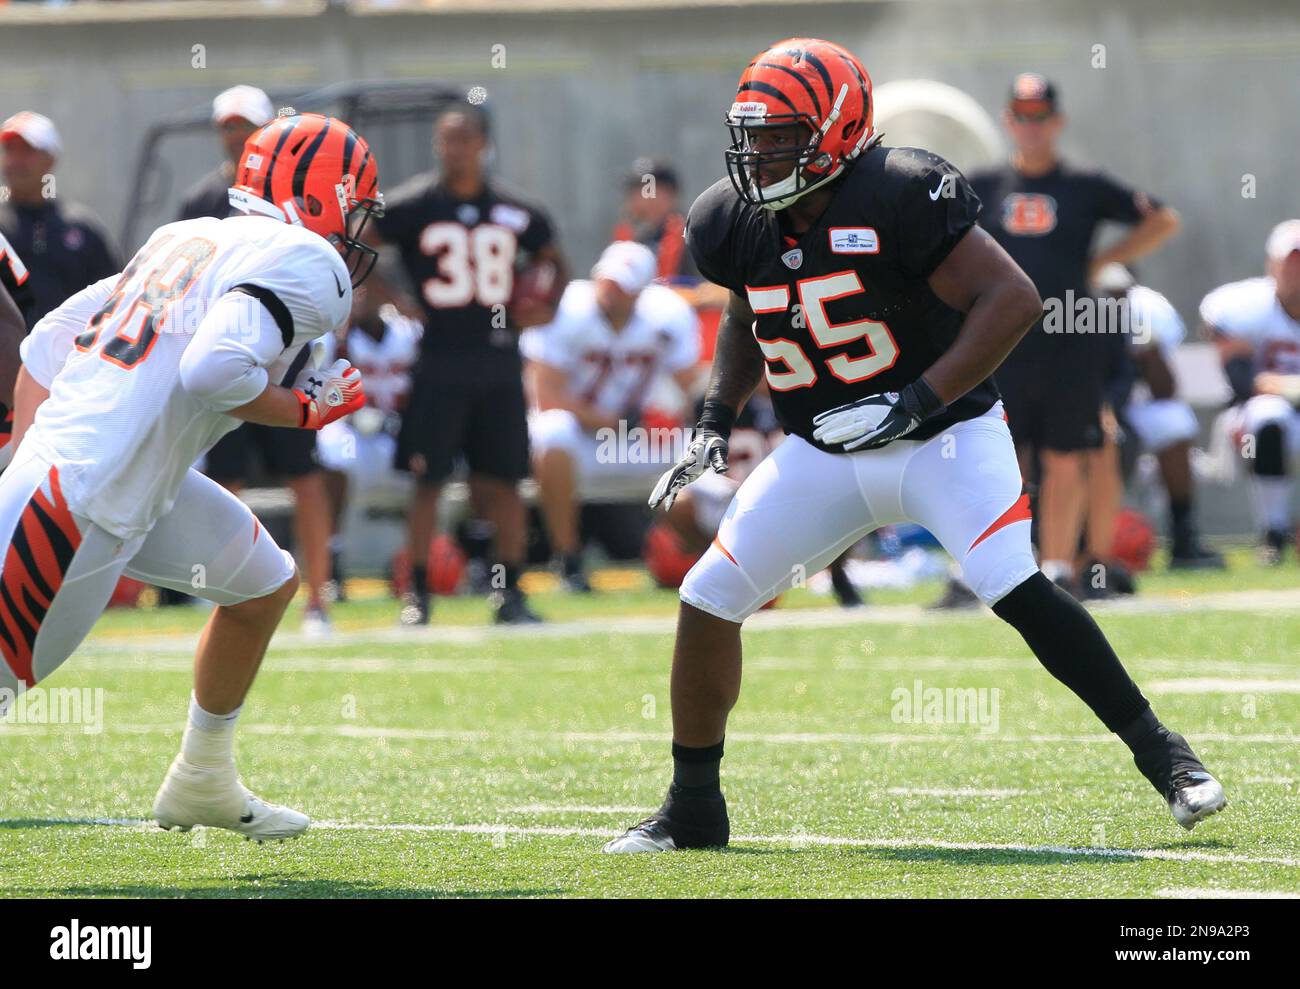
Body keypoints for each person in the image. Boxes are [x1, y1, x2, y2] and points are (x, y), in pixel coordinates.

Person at [602, 38, 1224, 853]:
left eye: (782, 134)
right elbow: (751, 310)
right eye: (753, 134)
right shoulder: (730, 216)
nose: (760, 153)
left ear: (837, 127)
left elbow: (1013, 297)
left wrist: (917, 399)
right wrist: (716, 416)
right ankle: (693, 808)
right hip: (825, 447)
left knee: (1011, 581)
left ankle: (1165, 756)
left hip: (945, 436)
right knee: (708, 596)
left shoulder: (898, 190)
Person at [0, 111, 383, 839]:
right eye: (353, 203)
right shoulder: (306, 259)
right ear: (316, 194)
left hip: (115, 482)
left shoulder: (186, 237)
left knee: (263, 582)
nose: (357, 231)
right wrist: (301, 411)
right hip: (80, 502)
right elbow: (215, 369)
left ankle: (202, 779)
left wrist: (23, 456)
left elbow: (46, 343)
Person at [951, 74, 1181, 600]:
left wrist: (1101, 261)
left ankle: (1056, 569)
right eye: (1021, 117)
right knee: (999, 457)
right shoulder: (982, 185)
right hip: (1003, 339)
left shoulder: (1084, 184)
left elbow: (1163, 218)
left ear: (1057, 122)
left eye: (1041, 117)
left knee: (1064, 456)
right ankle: (986, 570)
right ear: (1008, 122)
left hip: (1070, 334)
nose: (1031, 127)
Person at [368, 103, 567, 625]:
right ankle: (419, 595)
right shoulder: (413, 205)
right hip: (439, 358)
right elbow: (358, 247)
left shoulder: (515, 209)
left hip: (498, 356)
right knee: (427, 480)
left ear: (483, 144)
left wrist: (542, 306)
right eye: (445, 140)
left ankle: (510, 592)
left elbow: (553, 260)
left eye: (462, 140)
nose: (452, 150)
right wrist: (394, 299)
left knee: (504, 480)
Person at [182, 89, 337, 634]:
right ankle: (226, 594)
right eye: (226, 126)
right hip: (223, 357)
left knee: (306, 475)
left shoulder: (295, 194)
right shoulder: (202, 198)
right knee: (227, 481)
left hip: (287, 353)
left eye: (245, 126)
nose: (234, 135)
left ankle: (319, 598)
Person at [521, 240, 699, 591]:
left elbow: (692, 385)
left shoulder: (668, 314)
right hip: (583, 441)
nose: (611, 292)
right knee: (551, 432)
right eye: (608, 281)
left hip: (634, 440)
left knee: (705, 448)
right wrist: (613, 422)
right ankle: (568, 561)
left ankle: (709, 556)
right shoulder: (566, 309)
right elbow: (545, 395)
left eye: (622, 286)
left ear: (641, 292)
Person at [1093, 263, 1223, 569]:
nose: (1116, 298)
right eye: (1109, 291)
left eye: (1121, 291)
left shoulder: (1145, 311)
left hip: (1129, 404)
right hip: (1077, 406)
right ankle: (1075, 539)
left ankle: (1183, 532)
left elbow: (1165, 389)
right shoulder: (1068, 310)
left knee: (1173, 421)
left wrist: (1147, 345)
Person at [316, 265, 422, 599]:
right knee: (334, 454)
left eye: (369, 289)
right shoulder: (334, 338)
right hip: (353, 432)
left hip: (399, 433)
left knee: (437, 459)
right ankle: (331, 560)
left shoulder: (408, 331)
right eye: (354, 291)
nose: (362, 296)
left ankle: (422, 563)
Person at [1202, 219, 1300, 563]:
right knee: (1269, 414)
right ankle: (1273, 532)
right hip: (1256, 418)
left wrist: (1281, 384)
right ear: (1272, 266)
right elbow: (1244, 384)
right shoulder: (1244, 307)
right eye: (1292, 261)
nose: (1298, 271)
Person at [0, 112, 119, 326]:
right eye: (10, 150)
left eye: (27, 150)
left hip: (69, 356)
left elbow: (115, 300)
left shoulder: (83, 229)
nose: (16, 160)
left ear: (51, 158)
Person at [613, 159, 697, 281]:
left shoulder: (692, 234)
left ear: (667, 193)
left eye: (644, 189)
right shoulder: (641, 237)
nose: (634, 197)